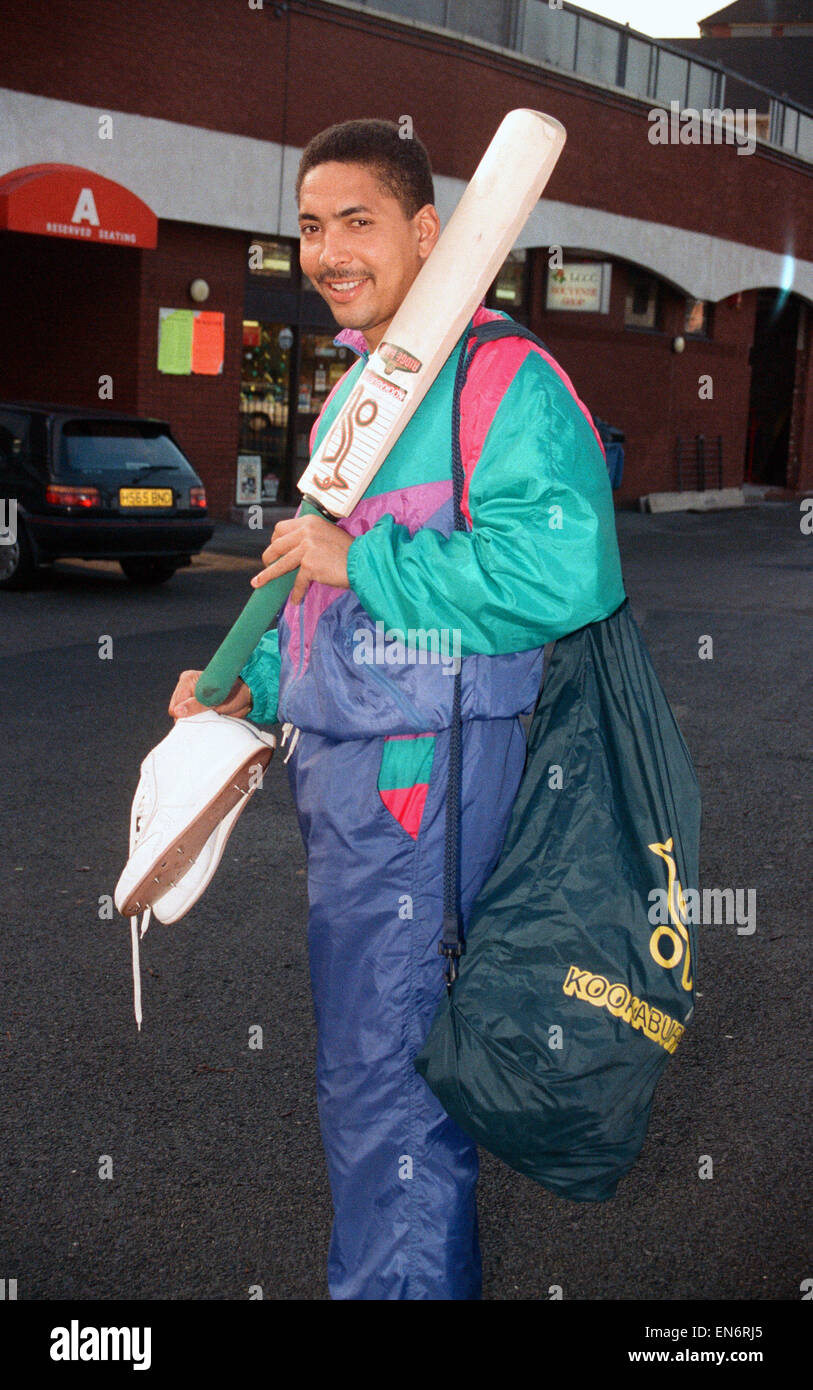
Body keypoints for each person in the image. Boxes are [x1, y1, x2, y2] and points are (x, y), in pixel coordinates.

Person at [169, 119, 625, 1299]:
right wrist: (241, 692)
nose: (326, 249)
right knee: (366, 1077)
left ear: (430, 231)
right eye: (311, 226)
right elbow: (312, 602)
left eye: (356, 221)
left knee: (390, 1085)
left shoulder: (501, 378)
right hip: (343, 775)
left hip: (427, 775)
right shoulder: (357, 396)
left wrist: (360, 562)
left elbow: (565, 576)